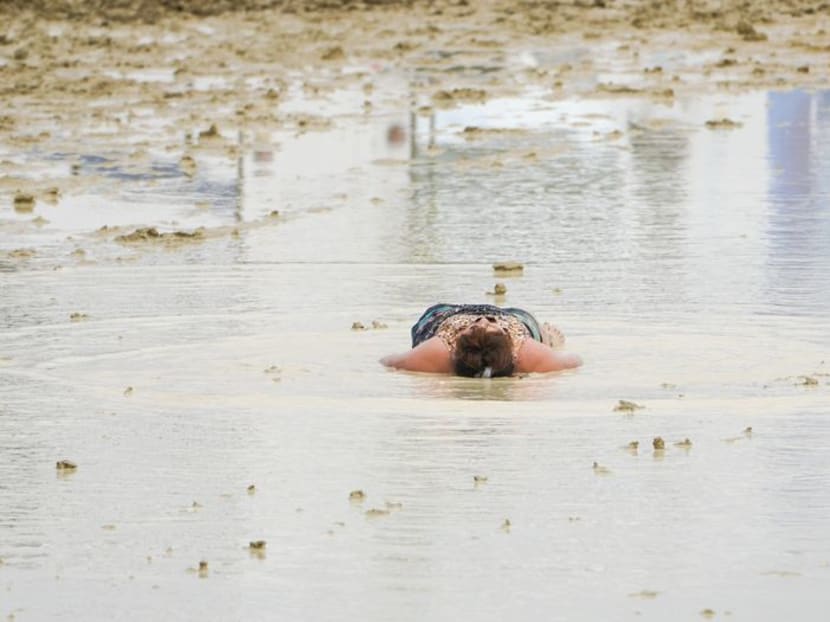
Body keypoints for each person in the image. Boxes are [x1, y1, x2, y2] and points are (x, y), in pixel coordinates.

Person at [381, 303, 582, 377]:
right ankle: (546, 337)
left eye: (476, 327)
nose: (483, 319)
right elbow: (574, 360)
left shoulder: (438, 351)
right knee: (529, 324)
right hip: (514, 319)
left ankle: (545, 337)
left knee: (433, 312)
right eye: (490, 326)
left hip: (446, 314)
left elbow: (388, 360)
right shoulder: (525, 351)